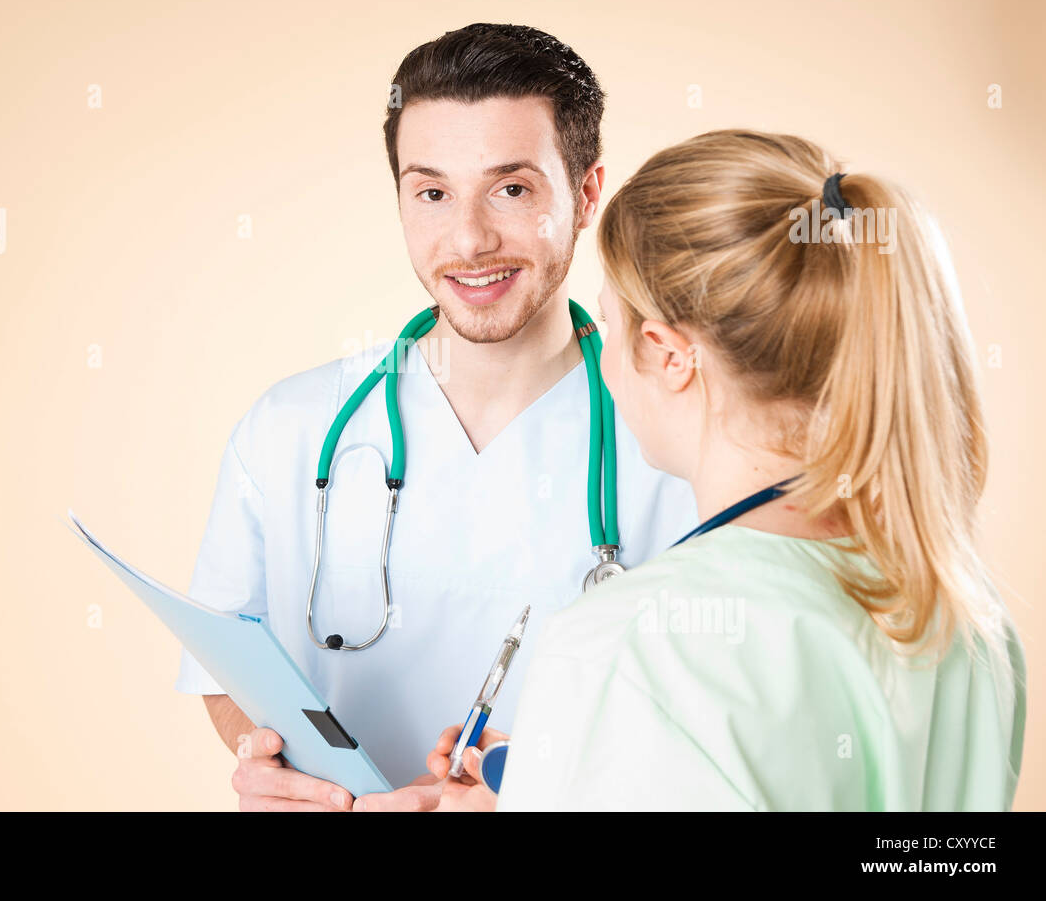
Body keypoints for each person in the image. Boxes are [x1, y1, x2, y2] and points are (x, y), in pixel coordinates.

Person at [174, 23, 697, 811]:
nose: (469, 239)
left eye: (512, 189)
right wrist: (277, 763)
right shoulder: (288, 427)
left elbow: (727, 727)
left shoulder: (682, 438)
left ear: (588, 193)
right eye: (431, 192)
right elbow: (223, 660)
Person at [428, 128, 1027, 811]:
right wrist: (561, 771)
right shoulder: (962, 608)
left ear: (666, 352)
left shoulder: (624, 645)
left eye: (608, 328)